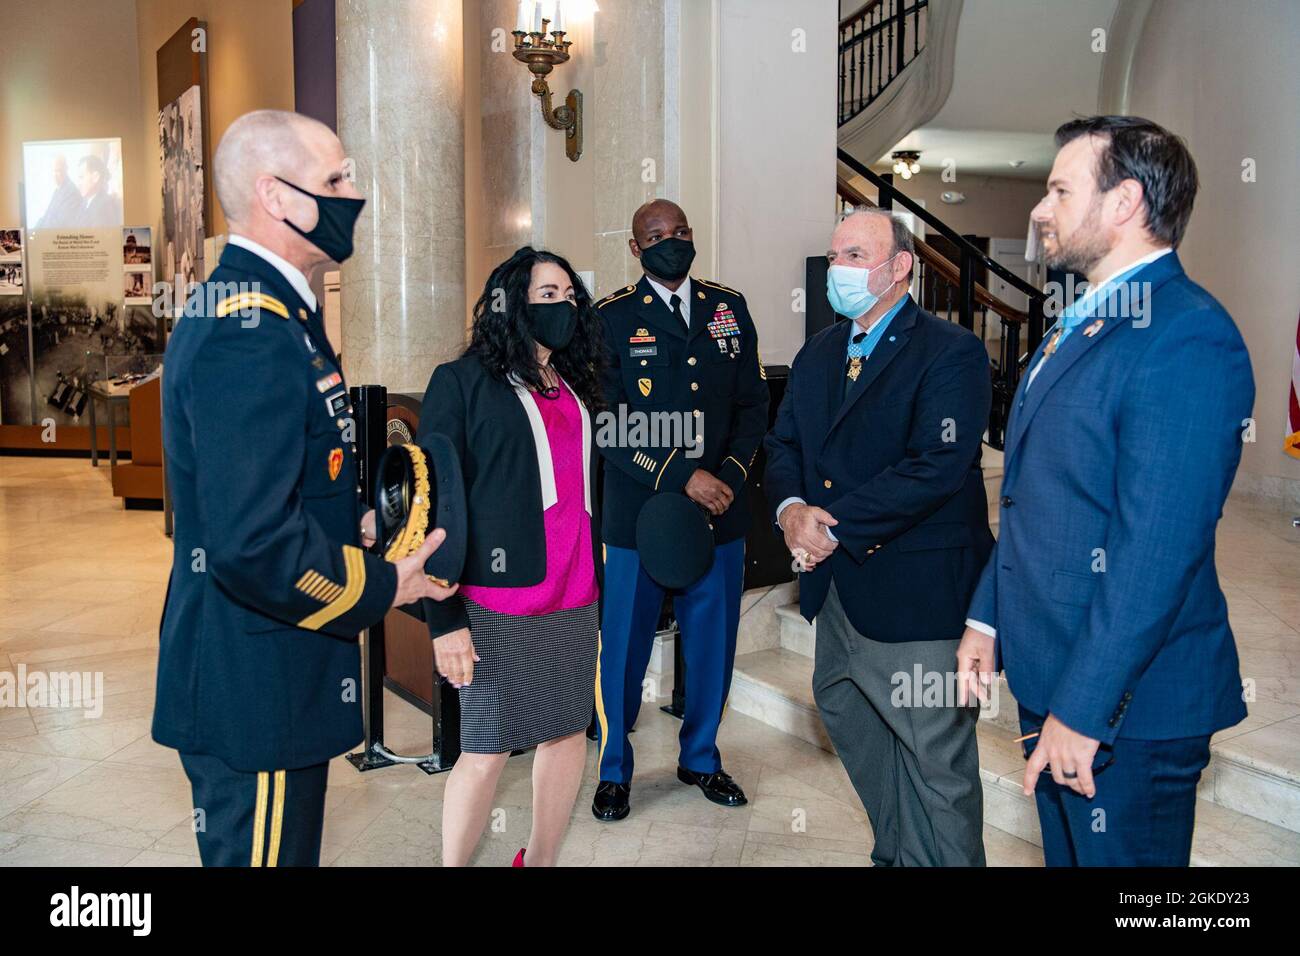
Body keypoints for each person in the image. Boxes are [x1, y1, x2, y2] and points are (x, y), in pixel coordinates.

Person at [154, 109, 457, 867]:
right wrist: (385, 585)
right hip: (255, 684)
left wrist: (341, 524)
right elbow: (250, 543)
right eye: (336, 180)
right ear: (276, 196)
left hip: (276, 665)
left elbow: (276, 485)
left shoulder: (279, 311)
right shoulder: (247, 328)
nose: (355, 194)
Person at [956, 115, 1256, 867]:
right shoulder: (1082, 320)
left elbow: (1153, 551)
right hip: (1053, 674)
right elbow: (1033, 495)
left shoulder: (1187, 335)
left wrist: (1084, 710)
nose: (1039, 208)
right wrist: (988, 620)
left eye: (1060, 189)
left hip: (1129, 709)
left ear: (1124, 204)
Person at [764, 208, 994, 866]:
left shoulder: (952, 352)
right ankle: (898, 855)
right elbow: (783, 445)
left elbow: (936, 466)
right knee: (849, 716)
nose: (838, 270)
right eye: (835, 256)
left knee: (937, 767)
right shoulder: (819, 352)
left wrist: (830, 526)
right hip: (836, 592)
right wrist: (788, 510)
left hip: (916, 597)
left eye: (856, 256)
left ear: (900, 269)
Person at [418, 246, 604, 867]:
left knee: (567, 731)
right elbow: (433, 505)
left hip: (573, 593)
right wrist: (443, 620)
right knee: (487, 748)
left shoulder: (573, 382)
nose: (563, 306)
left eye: (568, 295)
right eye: (546, 295)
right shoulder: (461, 381)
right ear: (509, 302)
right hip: (496, 602)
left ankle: (541, 860)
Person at [592, 199, 769, 821]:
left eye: (682, 232)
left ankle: (701, 757)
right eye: (656, 236)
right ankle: (613, 769)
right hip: (638, 516)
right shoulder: (610, 318)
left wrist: (729, 477)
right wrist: (678, 475)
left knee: (713, 642)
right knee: (623, 647)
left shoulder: (729, 307)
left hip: (719, 512)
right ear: (636, 249)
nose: (673, 242)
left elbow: (753, 407)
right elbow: (607, 424)